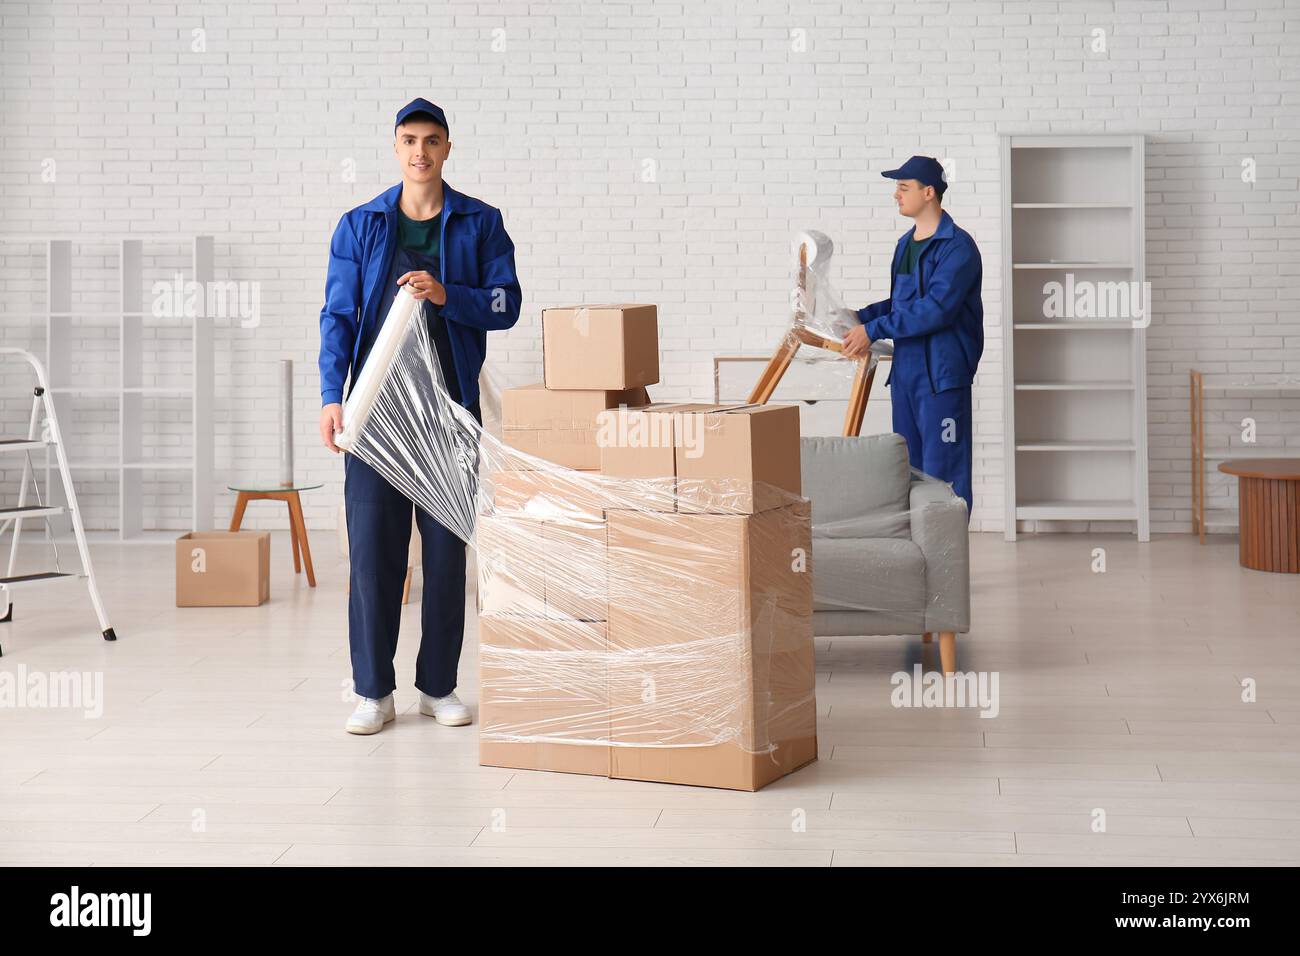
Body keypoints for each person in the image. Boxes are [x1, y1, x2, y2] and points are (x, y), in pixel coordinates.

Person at [317, 98, 522, 734]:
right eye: (409, 140)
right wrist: (331, 396)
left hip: (448, 414)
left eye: (431, 141)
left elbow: (505, 302)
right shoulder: (360, 225)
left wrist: (447, 294)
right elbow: (339, 317)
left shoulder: (480, 224)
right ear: (396, 147)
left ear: (447, 149)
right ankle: (372, 691)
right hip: (376, 411)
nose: (420, 152)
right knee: (373, 556)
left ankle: (438, 685)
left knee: (444, 556)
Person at [842, 155, 983, 516]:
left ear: (929, 192)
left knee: (944, 474)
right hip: (906, 375)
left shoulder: (957, 247)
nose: (896, 195)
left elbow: (936, 308)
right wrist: (858, 317)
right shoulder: (906, 244)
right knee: (911, 473)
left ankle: (948, 567)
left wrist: (872, 330)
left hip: (941, 379)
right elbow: (903, 302)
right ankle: (921, 563)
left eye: (904, 188)